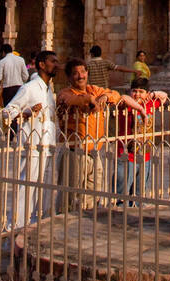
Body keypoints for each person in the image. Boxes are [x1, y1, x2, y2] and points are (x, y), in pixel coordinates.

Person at [56, 60, 144, 212]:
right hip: (74, 152)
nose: (80, 76)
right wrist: (90, 99)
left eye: (83, 72)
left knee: (92, 196)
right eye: (76, 73)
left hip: (94, 152)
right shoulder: (65, 93)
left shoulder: (94, 89)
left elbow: (116, 95)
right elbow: (72, 100)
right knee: (69, 197)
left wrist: (104, 97)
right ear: (69, 77)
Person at [1, 51, 60, 228]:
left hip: (46, 145)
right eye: (52, 61)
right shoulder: (30, 87)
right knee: (25, 189)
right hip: (31, 145)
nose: (56, 64)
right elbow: (7, 111)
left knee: (41, 191)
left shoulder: (48, 89)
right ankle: (15, 229)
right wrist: (25, 113)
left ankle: (33, 226)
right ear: (41, 64)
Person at [115, 77, 168, 205]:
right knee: (123, 192)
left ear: (146, 93)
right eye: (134, 91)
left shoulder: (150, 103)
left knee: (140, 192)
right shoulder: (126, 105)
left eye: (141, 91)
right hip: (127, 154)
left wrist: (153, 94)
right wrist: (140, 109)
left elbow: (164, 96)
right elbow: (122, 97)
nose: (137, 94)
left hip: (145, 154)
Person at [0, 42, 29, 107]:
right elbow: (26, 76)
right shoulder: (21, 60)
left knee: (8, 110)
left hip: (7, 89)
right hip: (19, 88)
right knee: (18, 109)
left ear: (3, 52)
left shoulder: (2, 62)